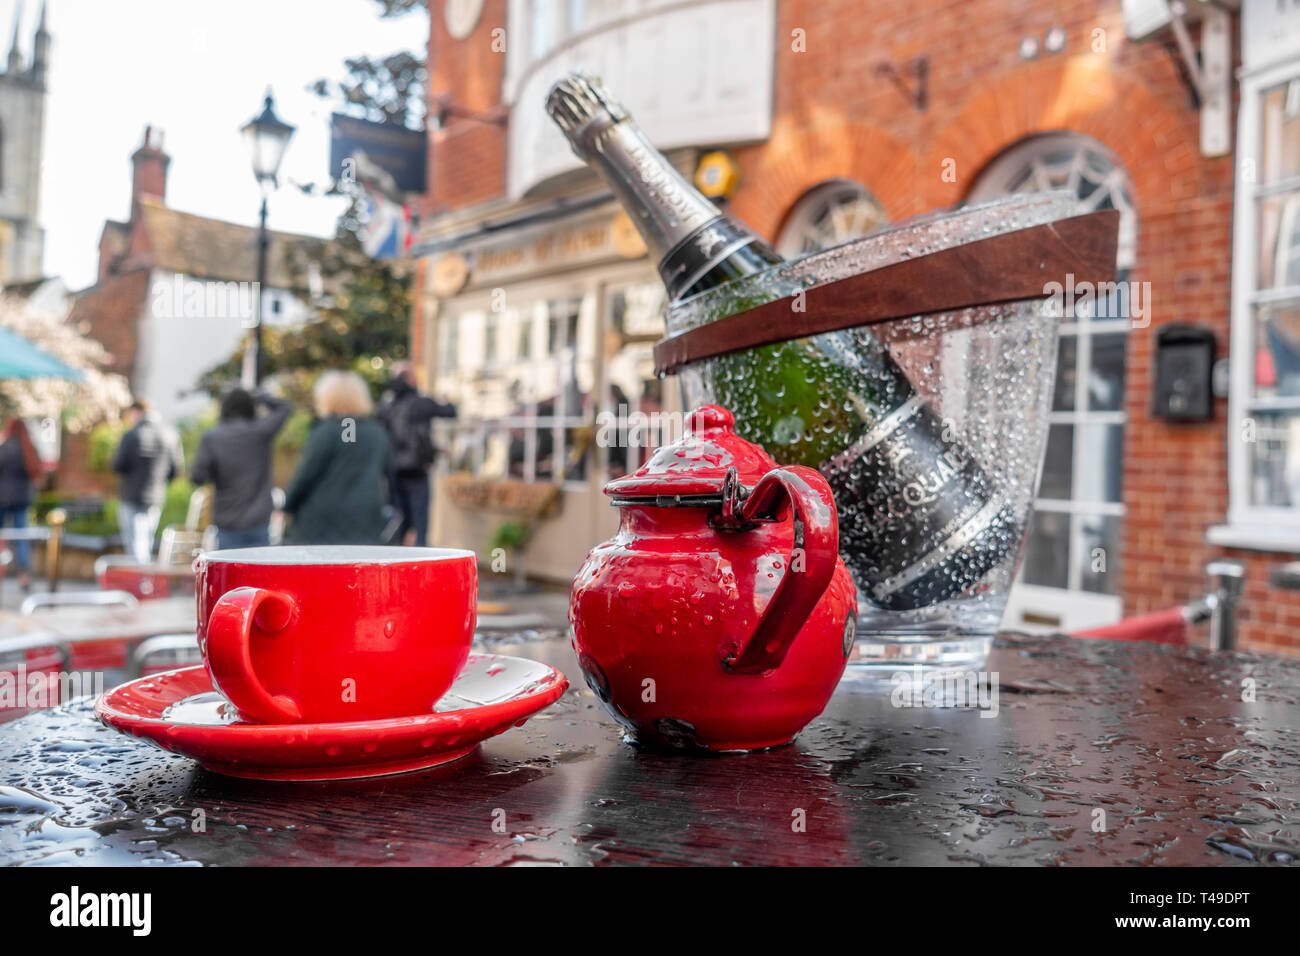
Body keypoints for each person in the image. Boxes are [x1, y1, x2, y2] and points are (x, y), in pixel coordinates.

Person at [283, 371, 391, 545]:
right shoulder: (377, 432)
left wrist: (288, 505)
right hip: (365, 521)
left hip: (320, 526)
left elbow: (306, 475)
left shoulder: (326, 432)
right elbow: (389, 476)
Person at [190, 387, 293, 550]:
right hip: (259, 520)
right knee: (259, 572)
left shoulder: (212, 438)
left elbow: (198, 477)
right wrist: (260, 395)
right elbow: (285, 407)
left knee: (231, 572)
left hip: (227, 521)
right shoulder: (261, 431)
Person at [376, 362, 456, 547]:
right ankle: (421, 568)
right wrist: (447, 398)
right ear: (410, 379)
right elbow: (450, 411)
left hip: (393, 470)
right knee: (420, 523)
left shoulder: (386, 406)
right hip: (417, 469)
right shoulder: (421, 402)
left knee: (397, 519)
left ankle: (392, 562)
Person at [111, 400, 183, 563]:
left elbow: (118, 465)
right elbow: (175, 469)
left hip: (131, 495)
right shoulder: (169, 435)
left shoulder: (131, 435)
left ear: (137, 412)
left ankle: (140, 581)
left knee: (135, 542)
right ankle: (144, 578)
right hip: (156, 495)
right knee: (147, 539)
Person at [0, 418, 42, 590]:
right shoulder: (29, 450)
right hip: (22, 499)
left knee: (2, 537)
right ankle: (23, 576)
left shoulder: (4, 448)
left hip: (2, 499)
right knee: (21, 539)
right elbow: (37, 475)